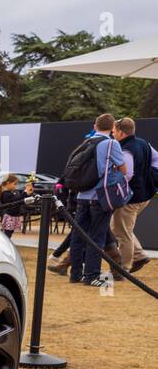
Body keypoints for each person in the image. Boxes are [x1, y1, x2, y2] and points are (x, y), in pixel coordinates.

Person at [69, 113, 127, 288]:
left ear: (95, 126)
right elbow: (123, 169)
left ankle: (75, 273)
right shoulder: (111, 143)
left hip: (82, 196)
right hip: (100, 196)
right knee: (97, 236)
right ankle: (92, 275)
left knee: (78, 236)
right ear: (112, 129)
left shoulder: (86, 142)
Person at [113, 117, 153, 273]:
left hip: (131, 198)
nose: (113, 134)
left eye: (115, 131)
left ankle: (124, 267)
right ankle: (139, 255)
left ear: (121, 133)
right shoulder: (143, 143)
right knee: (119, 228)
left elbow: (127, 174)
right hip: (145, 194)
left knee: (122, 232)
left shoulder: (125, 149)